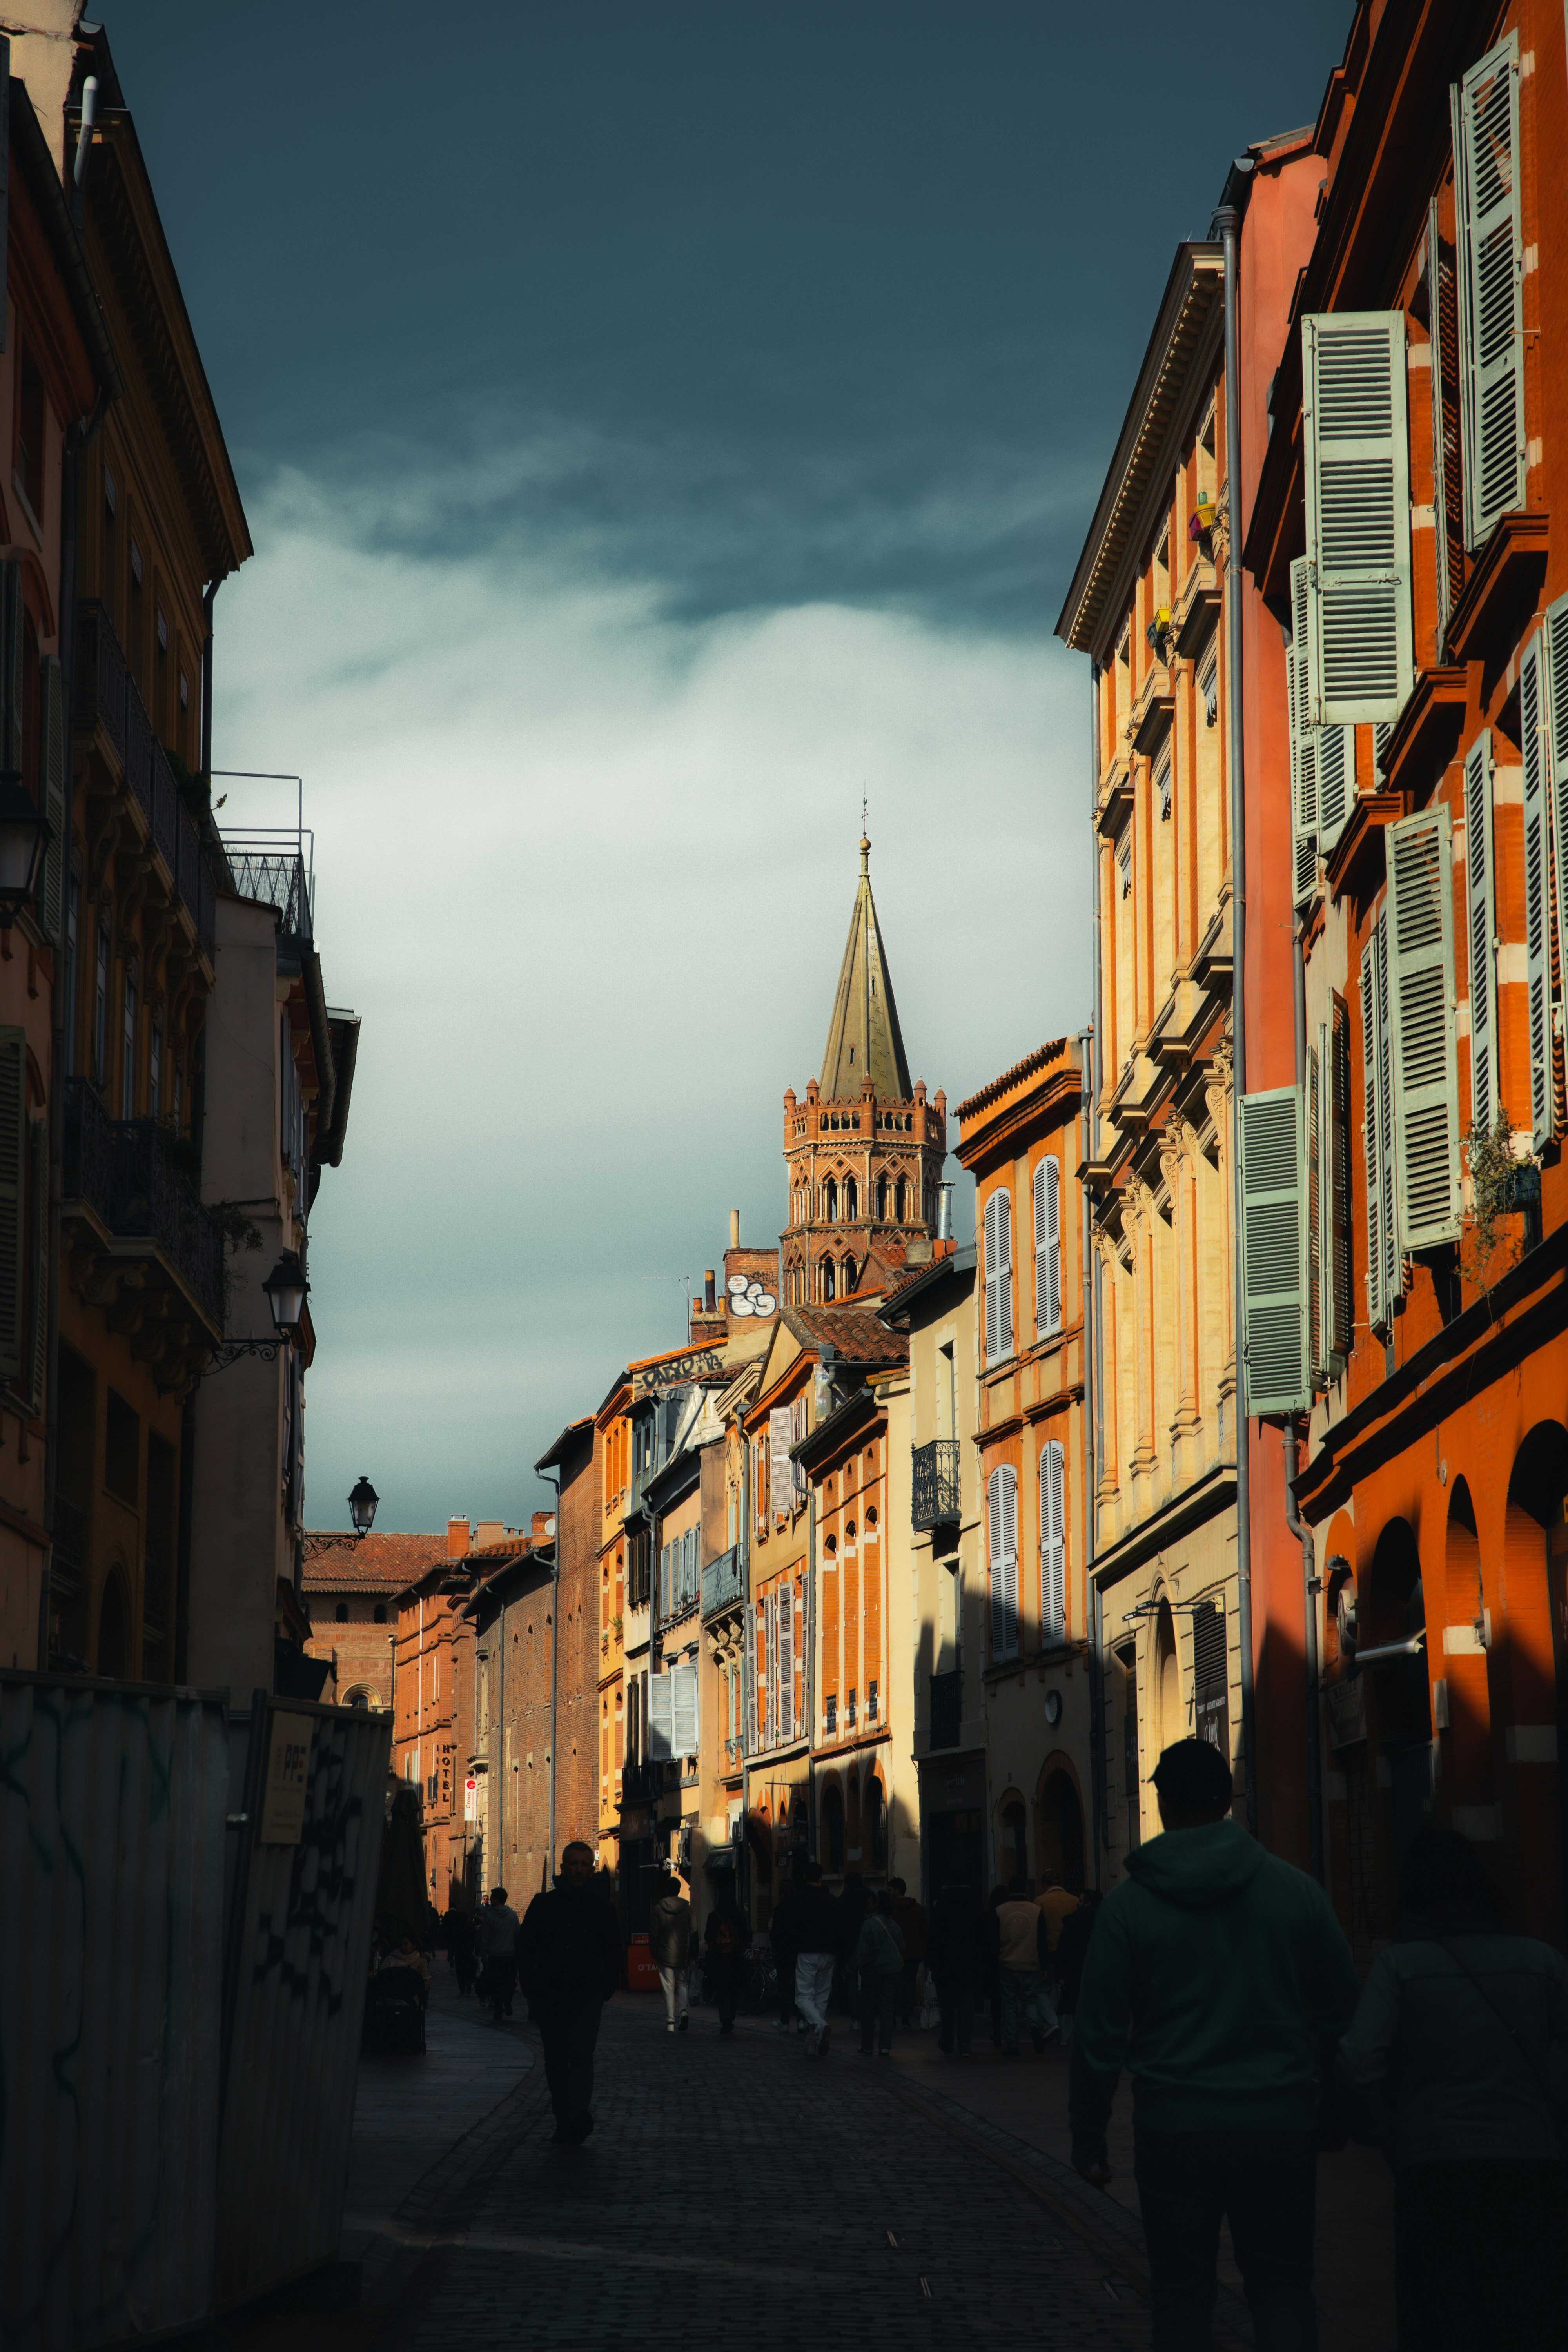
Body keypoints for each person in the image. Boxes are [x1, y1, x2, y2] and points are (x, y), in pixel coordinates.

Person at [1070, 1737, 1360, 2352]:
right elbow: (1341, 2010)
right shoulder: (1297, 1892)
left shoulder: (1127, 1908)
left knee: (1180, 2299)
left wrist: (1089, 2138)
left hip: (1175, 2126)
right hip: (1279, 2122)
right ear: (1229, 1800)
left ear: (1163, 1803)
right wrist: (1333, 2109)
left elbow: (1098, 2032)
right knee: (1283, 2287)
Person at [1336, 1825, 1568, 2351]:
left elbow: (1356, 2063)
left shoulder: (1399, 1967)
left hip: (1433, 2167)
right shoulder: (1542, 1961)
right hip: (1531, 2163)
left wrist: (1384, 2132)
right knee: (1529, 2309)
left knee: (1439, 2312)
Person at [517, 1841, 622, 2145]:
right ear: (563, 1868)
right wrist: (532, 1989)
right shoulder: (543, 1905)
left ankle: (576, 2115)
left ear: (592, 1868)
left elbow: (613, 1951)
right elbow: (525, 1949)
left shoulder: (603, 1909)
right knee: (555, 2060)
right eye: (573, 1864)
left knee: (580, 2056)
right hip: (550, 1997)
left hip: (587, 1998)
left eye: (584, 1865)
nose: (579, 1870)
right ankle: (564, 2115)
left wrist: (604, 1988)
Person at [996, 1873, 1058, 2054]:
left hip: (1007, 1964)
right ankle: (1034, 2026)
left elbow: (995, 1941)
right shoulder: (1036, 1910)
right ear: (1025, 1889)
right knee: (1030, 2001)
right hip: (1030, 1965)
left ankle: (1013, 2046)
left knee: (1009, 2006)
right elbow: (1042, 1941)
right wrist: (1044, 1966)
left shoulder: (1000, 1911)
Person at [926, 1881, 988, 2056]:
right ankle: (965, 2044)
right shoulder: (975, 1908)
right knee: (967, 2004)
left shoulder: (942, 1908)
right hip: (970, 1965)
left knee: (947, 2005)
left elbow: (934, 1936)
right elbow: (983, 1937)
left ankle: (947, 2040)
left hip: (946, 1965)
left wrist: (930, 1961)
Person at [792, 1860, 842, 2056]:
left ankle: (819, 2027)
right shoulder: (832, 1900)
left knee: (804, 1997)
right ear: (821, 1878)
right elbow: (840, 1927)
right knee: (821, 1998)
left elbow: (793, 1927)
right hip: (829, 1953)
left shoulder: (799, 1899)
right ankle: (813, 2041)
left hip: (807, 1952)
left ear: (805, 1877)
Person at [855, 1887, 906, 2057]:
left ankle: (867, 2046)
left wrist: (853, 1968)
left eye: (870, 1901)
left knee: (868, 2008)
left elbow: (862, 1952)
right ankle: (885, 2046)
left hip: (873, 1971)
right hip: (893, 1971)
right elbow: (902, 1949)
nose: (868, 1904)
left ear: (876, 1904)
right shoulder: (895, 1926)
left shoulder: (868, 1925)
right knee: (887, 2008)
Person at [1053, 1888, 1102, 2045]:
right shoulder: (1104, 1921)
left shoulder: (1073, 1923)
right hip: (1097, 1971)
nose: (1076, 1903)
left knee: (1071, 2005)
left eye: (1080, 1900)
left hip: (1075, 1972)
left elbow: (1064, 1949)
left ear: (1087, 1903)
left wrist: (1061, 1974)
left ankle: (1067, 2039)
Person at [703, 1880, 751, 2034]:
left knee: (722, 1989)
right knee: (734, 1989)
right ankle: (731, 2016)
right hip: (736, 1958)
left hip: (719, 1959)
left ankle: (726, 2020)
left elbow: (707, 1937)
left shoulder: (713, 1917)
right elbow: (746, 1936)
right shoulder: (738, 1916)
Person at [650, 1871, 693, 2035]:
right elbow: (693, 1932)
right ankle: (684, 2012)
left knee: (668, 1987)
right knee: (683, 1983)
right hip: (683, 1953)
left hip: (665, 1954)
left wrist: (654, 1952)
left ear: (667, 1890)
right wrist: (693, 1952)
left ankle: (670, 2020)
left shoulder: (658, 1910)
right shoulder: (688, 1910)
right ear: (679, 1889)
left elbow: (654, 1933)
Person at [887, 1877, 929, 2029]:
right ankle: (906, 2017)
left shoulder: (889, 1909)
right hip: (913, 1953)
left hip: (893, 1954)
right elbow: (925, 1931)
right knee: (909, 1985)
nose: (889, 1892)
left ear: (897, 1890)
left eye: (890, 1890)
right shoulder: (917, 1909)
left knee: (892, 1986)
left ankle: (891, 2017)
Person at [474, 1885, 520, 2021]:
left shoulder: (490, 1916)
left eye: (492, 1897)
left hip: (494, 1956)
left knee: (495, 1983)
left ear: (496, 1899)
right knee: (509, 1981)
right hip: (510, 1956)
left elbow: (485, 1938)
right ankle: (508, 1999)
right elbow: (517, 1936)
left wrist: (484, 1955)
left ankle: (498, 2008)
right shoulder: (513, 1915)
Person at [770, 1870, 801, 2035]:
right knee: (801, 1986)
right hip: (800, 1952)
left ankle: (785, 2021)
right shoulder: (800, 1906)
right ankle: (802, 2020)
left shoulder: (780, 1909)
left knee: (785, 1987)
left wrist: (775, 1949)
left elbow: (775, 1933)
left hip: (784, 1954)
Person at [835, 1870, 870, 2018]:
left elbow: (838, 1923)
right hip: (867, 1943)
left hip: (847, 1944)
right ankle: (869, 2009)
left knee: (848, 1978)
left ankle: (848, 2009)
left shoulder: (843, 1899)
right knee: (868, 1977)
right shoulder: (870, 1896)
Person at [985, 1885, 1007, 2046]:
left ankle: (997, 2030)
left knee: (996, 2000)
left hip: (994, 1962)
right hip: (1010, 1959)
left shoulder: (991, 1915)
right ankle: (1009, 2031)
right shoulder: (1011, 1914)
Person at [447, 1905, 478, 1998]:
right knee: (468, 1970)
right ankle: (468, 1982)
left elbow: (452, 1944)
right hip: (469, 1953)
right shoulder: (471, 1929)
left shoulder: (456, 1930)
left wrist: (450, 1956)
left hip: (459, 1953)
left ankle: (462, 1989)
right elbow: (475, 1941)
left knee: (460, 1971)